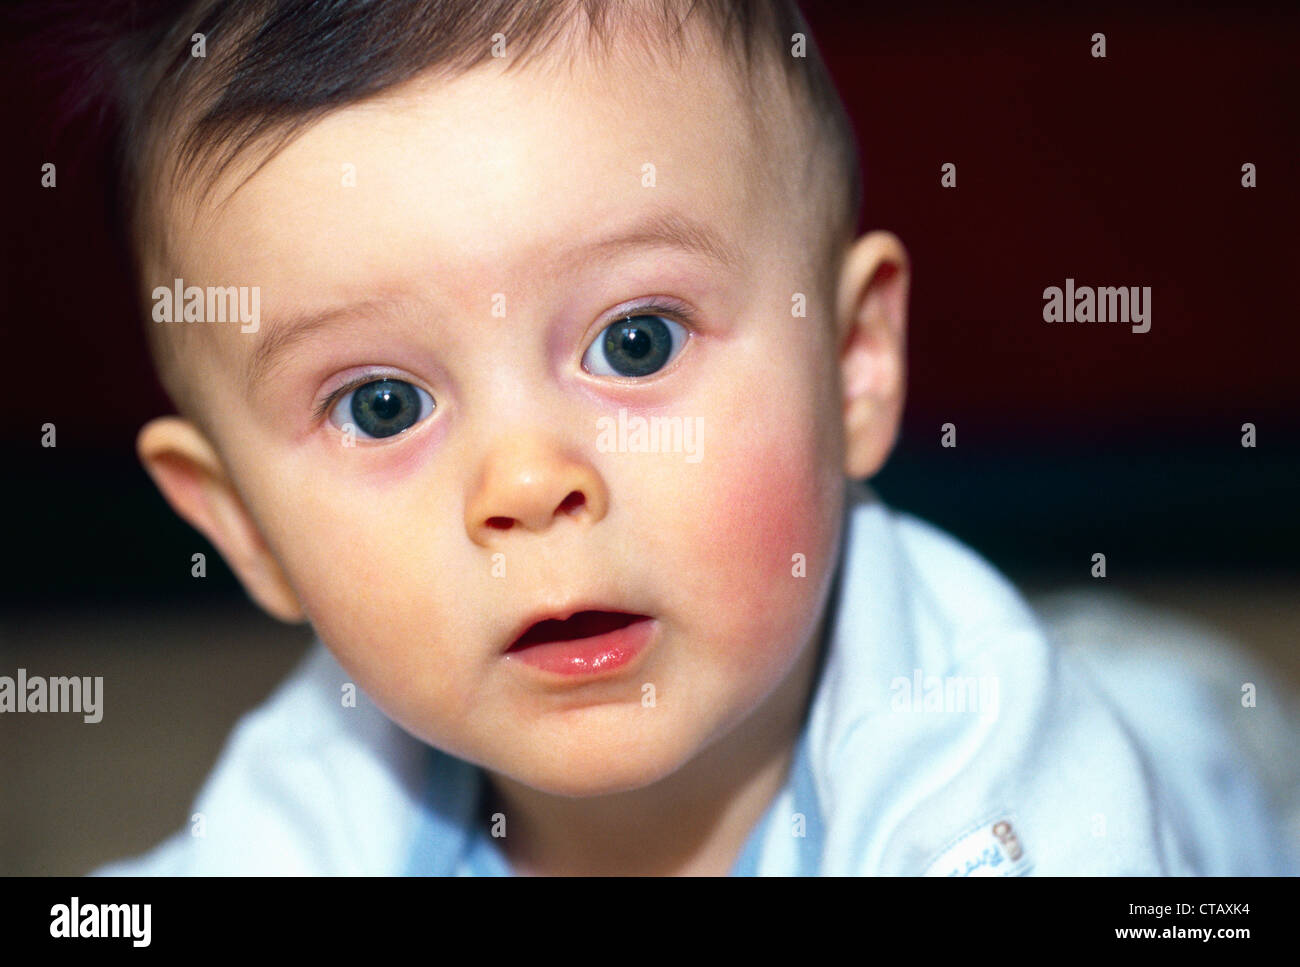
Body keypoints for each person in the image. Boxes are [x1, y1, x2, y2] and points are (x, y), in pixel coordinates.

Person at [89, 0, 1294, 875]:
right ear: (241, 525)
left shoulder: (997, 780)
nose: (526, 484)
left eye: (636, 343)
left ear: (850, 362)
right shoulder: (327, 780)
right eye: (382, 405)